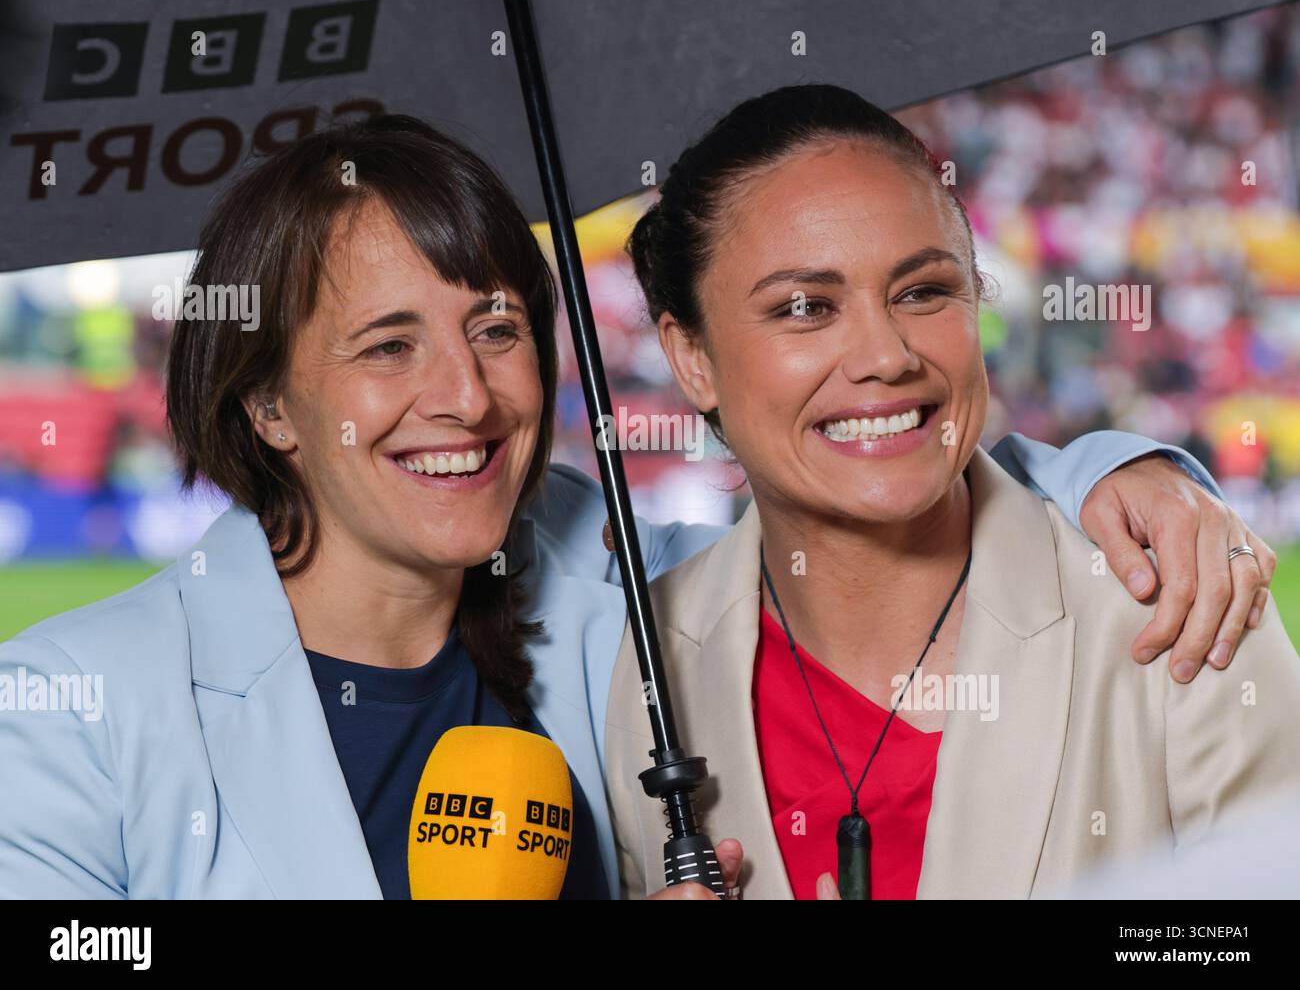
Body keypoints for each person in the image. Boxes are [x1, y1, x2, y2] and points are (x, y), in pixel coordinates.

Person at [0, 114, 1271, 900]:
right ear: (269, 402)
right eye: (388, 346)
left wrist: (1118, 471)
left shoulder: (614, 593)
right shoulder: (71, 713)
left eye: (495, 327)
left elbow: (859, 495)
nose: (464, 395)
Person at [604, 84, 1300, 900]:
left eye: (923, 291)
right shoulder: (634, 670)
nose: (885, 354)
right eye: (805, 307)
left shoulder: (1185, 610)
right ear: (690, 358)